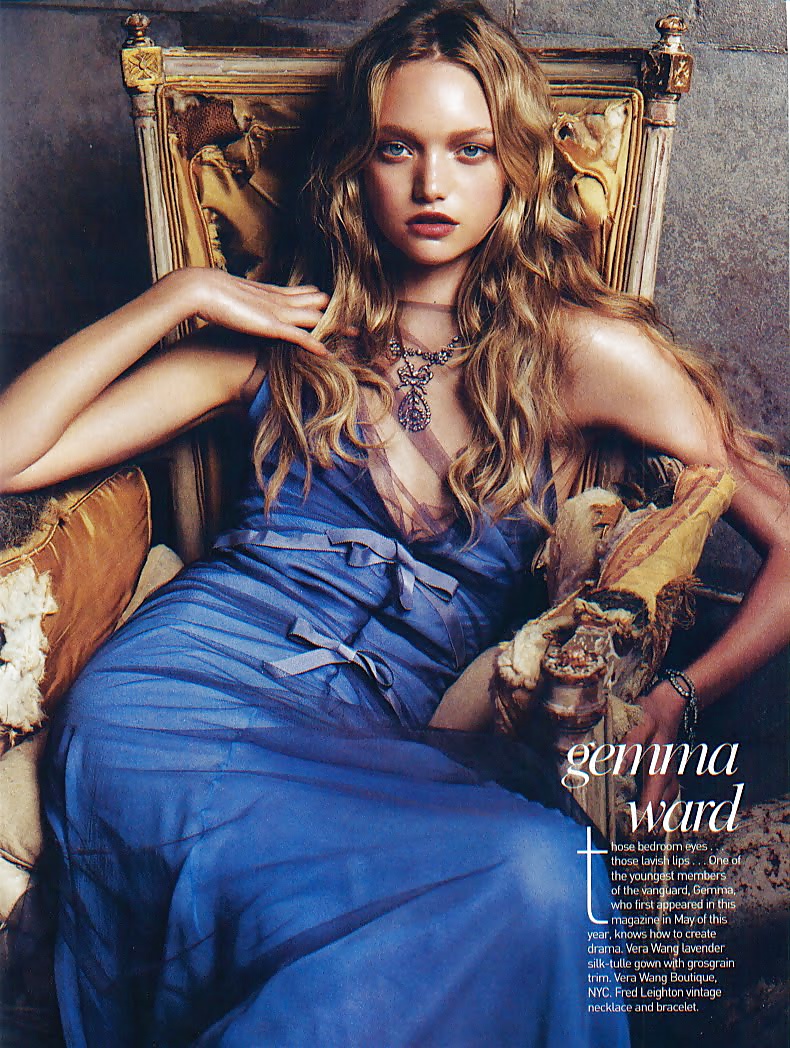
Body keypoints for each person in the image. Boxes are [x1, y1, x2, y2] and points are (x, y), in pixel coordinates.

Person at [0, 1, 787, 1044]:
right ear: (354, 168)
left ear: (513, 167)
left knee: (547, 876)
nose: (432, 185)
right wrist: (178, 296)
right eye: (397, 147)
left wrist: (681, 692)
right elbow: (11, 452)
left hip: (381, 742)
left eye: (469, 149)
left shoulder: (585, 355)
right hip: (174, 706)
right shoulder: (291, 327)